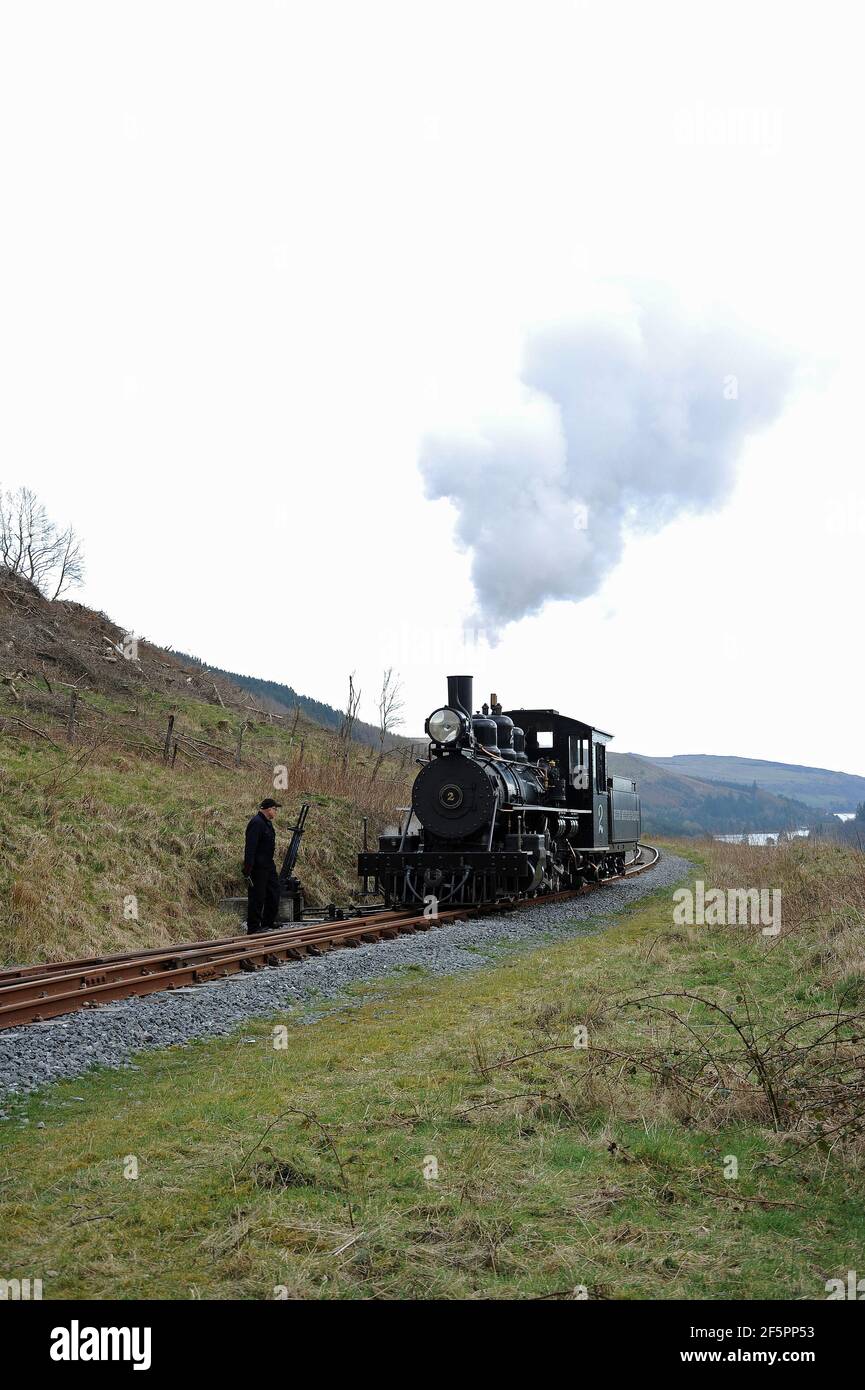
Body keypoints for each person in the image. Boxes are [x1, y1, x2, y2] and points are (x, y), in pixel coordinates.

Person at [243, 798, 281, 934]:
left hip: (268, 864)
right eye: (275, 809)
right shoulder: (256, 823)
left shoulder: (267, 823)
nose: (276, 812)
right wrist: (248, 867)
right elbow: (250, 847)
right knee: (257, 896)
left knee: (274, 891)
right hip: (258, 866)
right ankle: (253, 927)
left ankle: (268, 921)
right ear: (269, 809)